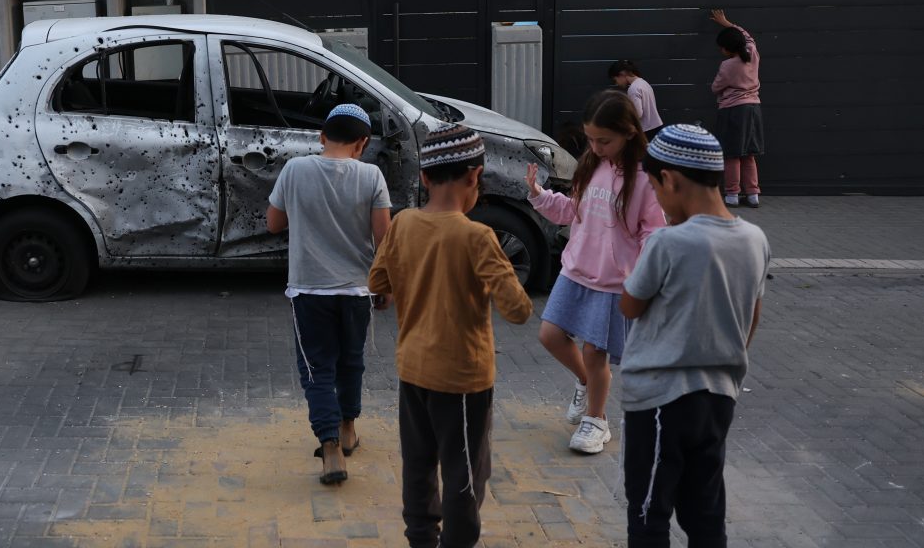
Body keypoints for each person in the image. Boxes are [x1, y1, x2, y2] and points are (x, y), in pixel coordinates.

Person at [368, 124, 533, 548]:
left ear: (424, 178)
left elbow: (377, 280)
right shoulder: (477, 237)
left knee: (418, 465)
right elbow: (518, 311)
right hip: (461, 379)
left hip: (412, 371)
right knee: (464, 472)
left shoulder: (402, 224)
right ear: (475, 177)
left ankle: (421, 539)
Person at [619, 124, 770, 547]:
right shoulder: (755, 239)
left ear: (670, 179)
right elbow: (751, 318)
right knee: (705, 513)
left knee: (649, 512)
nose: (658, 203)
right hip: (719, 397)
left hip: (660, 402)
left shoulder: (667, 242)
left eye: (654, 188)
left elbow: (630, 305)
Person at [526, 90, 666, 455]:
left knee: (595, 351)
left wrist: (647, 271)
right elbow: (575, 210)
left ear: (630, 133)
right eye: (591, 139)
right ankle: (588, 384)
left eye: (604, 140)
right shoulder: (593, 164)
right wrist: (540, 196)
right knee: (550, 334)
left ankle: (596, 420)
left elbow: (654, 230)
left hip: (613, 281)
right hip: (575, 270)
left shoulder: (645, 178)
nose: (596, 146)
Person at [266, 104, 392, 485]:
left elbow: (273, 224)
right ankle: (349, 427)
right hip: (356, 290)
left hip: (309, 290)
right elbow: (384, 239)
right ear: (363, 143)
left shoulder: (295, 169)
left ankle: (331, 447)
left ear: (322, 137)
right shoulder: (372, 176)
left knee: (317, 369)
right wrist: (385, 285)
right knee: (351, 362)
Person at [709, 9, 764, 208]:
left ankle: (732, 194)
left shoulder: (728, 65)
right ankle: (753, 194)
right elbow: (746, 35)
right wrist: (727, 23)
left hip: (733, 110)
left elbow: (716, 87)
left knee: (732, 153)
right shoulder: (752, 53)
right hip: (753, 109)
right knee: (749, 153)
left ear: (727, 49)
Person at [609, 59, 664, 140]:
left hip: (647, 130)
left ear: (622, 74)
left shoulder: (633, 89)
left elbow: (638, 114)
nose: (616, 83)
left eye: (615, 80)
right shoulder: (643, 83)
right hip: (657, 126)